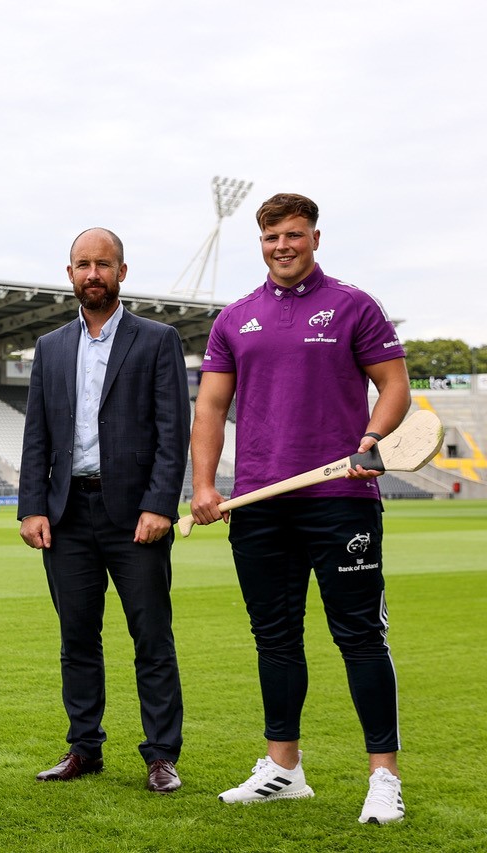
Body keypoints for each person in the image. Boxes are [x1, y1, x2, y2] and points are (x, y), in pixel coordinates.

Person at [190, 193, 411, 825]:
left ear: (315, 237)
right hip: (259, 503)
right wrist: (204, 485)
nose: (282, 246)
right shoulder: (235, 318)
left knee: (360, 637)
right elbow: (211, 407)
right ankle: (284, 768)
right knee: (275, 638)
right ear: (260, 242)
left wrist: (371, 439)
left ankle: (384, 777)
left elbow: (394, 384)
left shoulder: (354, 305)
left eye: (293, 234)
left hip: (340, 499)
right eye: (271, 237)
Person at [17, 227, 190, 794]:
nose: (93, 274)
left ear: (122, 271)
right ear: (70, 273)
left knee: (152, 638)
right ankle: (84, 748)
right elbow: (37, 435)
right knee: (76, 639)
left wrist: (160, 504)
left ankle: (161, 755)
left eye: (104, 264)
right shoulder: (51, 347)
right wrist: (32, 507)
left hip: (135, 515)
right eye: (83, 264)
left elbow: (173, 431)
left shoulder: (157, 340)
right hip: (67, 514)